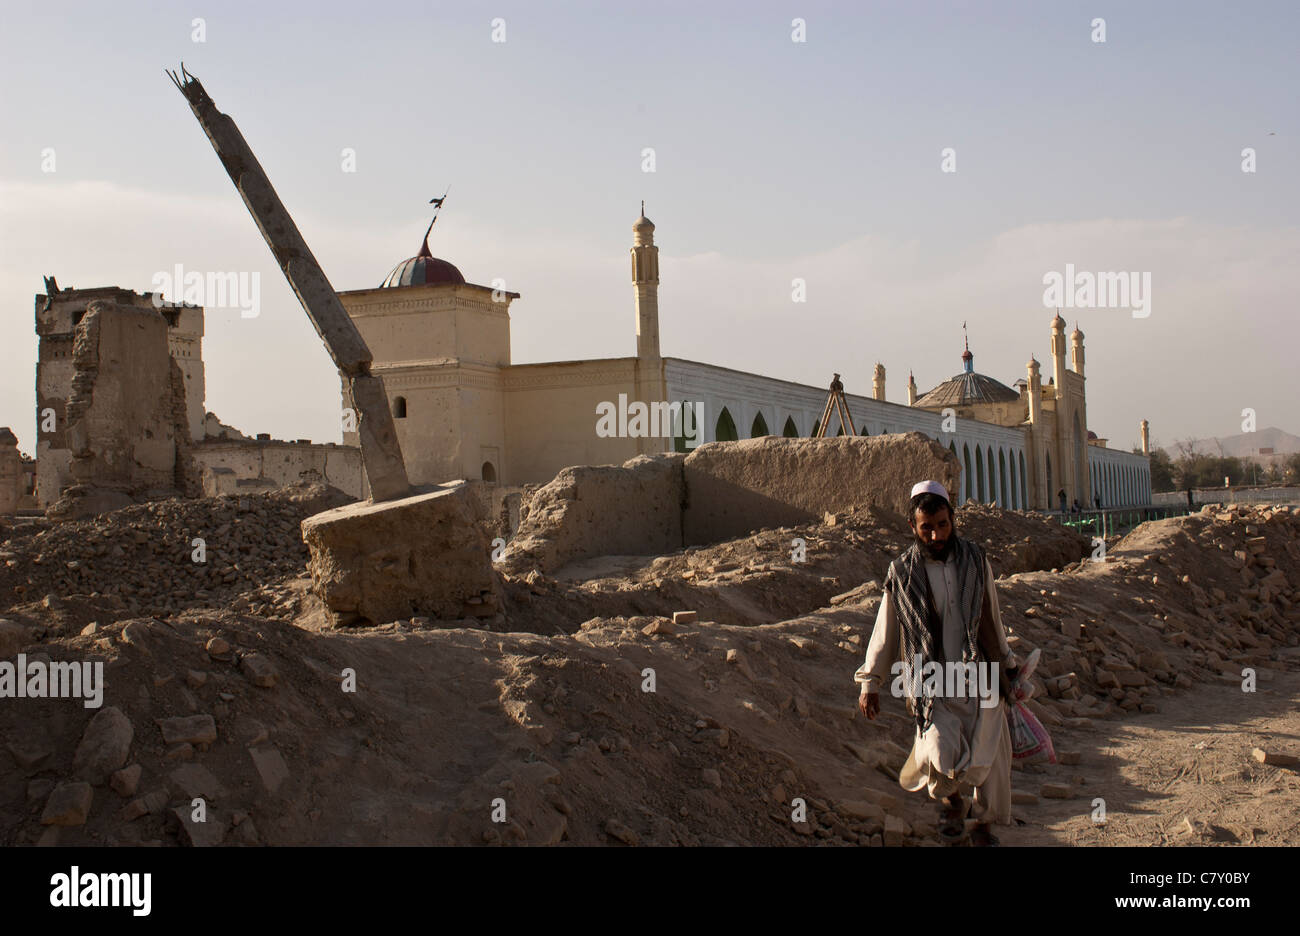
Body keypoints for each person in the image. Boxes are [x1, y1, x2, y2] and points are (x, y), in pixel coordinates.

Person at [854, 480, 1018, 846]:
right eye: (926, 527)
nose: (936, 534)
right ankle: (951, 802)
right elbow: (888, 629)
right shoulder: (902, 573)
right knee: (941, 751)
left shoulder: (976, 560)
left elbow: (991, 614)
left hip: (978, 674)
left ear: (952, 520)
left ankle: (982, 825)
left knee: (986, 759)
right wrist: (871, 681)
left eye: (942, 525)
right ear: (912, 526)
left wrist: (1007, 662)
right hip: (930, 680)